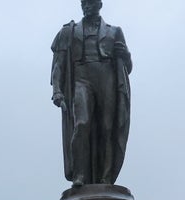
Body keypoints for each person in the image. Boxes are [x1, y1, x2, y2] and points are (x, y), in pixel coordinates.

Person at [51, 0, 132, 186]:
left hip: (106, 78)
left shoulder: (114, 31)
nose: (87, 6)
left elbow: (127, 67)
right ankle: (80, 175)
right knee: (82, 123)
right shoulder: (69, 31)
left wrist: (126, 55)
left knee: (107, 128)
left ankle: (106, 178)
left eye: (91, 3)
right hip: (81, 78)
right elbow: (59, 64)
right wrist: (57, 90)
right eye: (84, 3)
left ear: (99, 5)